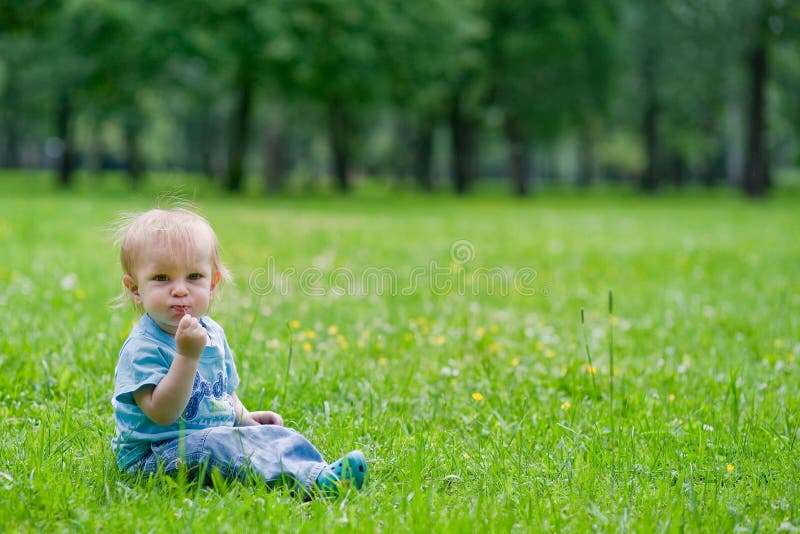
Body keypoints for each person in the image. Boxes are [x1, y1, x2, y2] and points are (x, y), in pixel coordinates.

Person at [110, 207, 367, 498]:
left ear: (213, 283)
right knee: (216, 446)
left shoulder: (213, 333)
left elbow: (222, 394)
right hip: (154, 457)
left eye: (194, 276)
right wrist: (187, 357)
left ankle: (321, 473)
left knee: (271, 435)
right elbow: (162, 413)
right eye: (161, 278)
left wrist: (245, 418)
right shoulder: (143, 346)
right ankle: (311, 482)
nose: (180, 290)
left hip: (208, 440)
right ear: (134, 288)